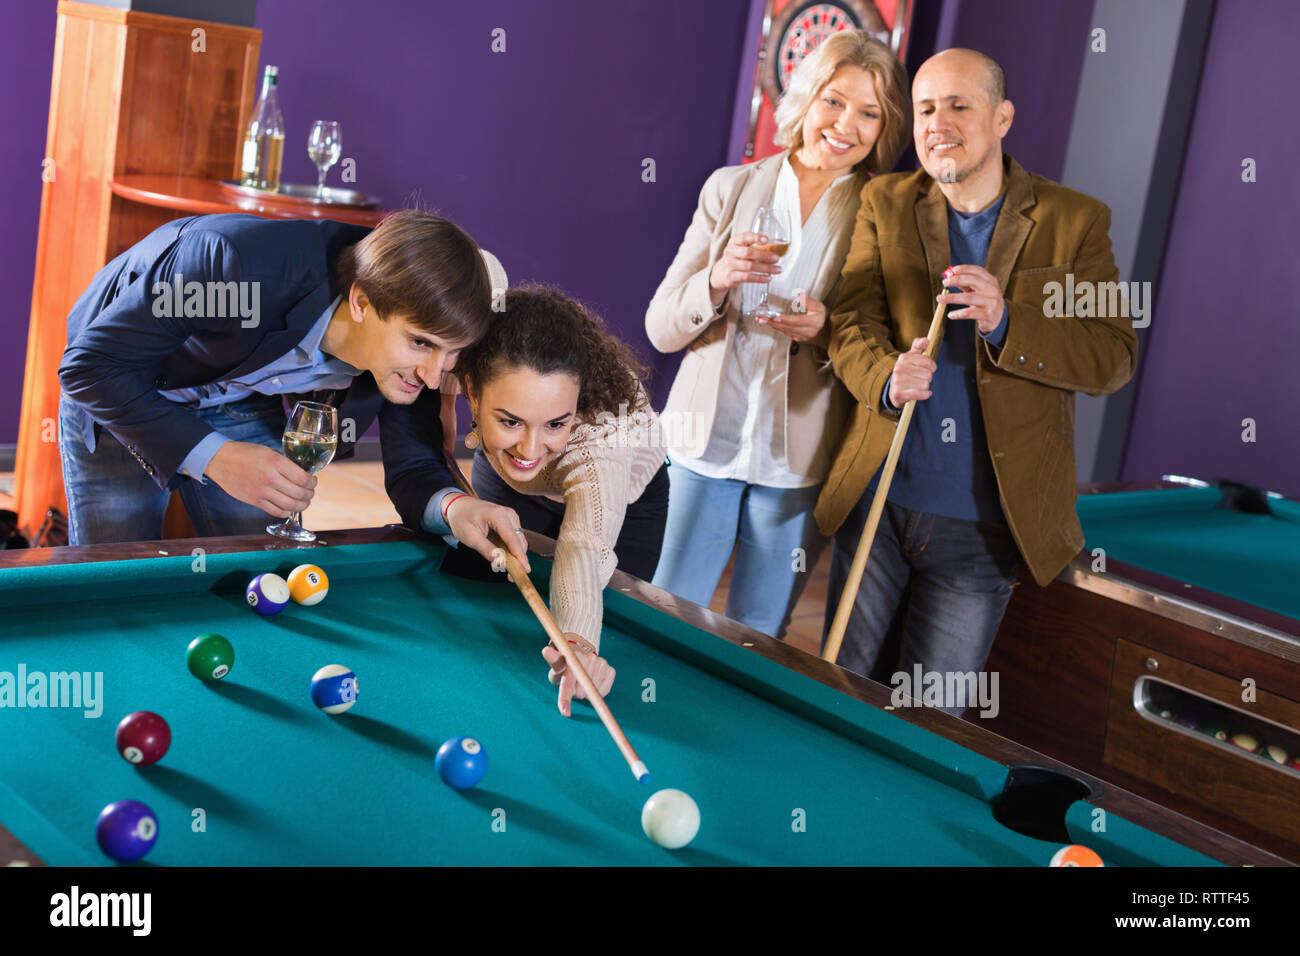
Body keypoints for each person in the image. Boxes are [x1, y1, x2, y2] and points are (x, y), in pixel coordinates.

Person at [817, 48, 1139, 709]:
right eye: (927, 108)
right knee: (839, 700)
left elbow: (1112, 357)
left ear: (1002, 117)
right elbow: (849, 324)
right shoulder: (884, 200)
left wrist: (1007, 321)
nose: (938, 123)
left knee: (930, 718)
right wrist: (884, 376)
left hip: (982, 531)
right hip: (878, 507)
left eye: (959, 106)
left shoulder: (1075, 223)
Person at [57, 209, 528, 570]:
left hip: (236, 394)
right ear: (362, 301)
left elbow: (415, 466)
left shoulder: (423, 340)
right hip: (122, 385)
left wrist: (456, 506)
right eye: (421, 344)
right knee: (117, 569)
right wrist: (216, 457)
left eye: (450, 354)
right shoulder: (232, 265)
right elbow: (88, 367)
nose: (433, 375)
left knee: (272, 568)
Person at [646, 30, 910, 638]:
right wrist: (716, 280)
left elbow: (884, 346)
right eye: (834, 101)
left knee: (759, 632)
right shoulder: (729, 188)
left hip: (800, 458)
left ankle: (729, 732)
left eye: (870, 113)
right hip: (701, 445)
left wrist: (826, 330)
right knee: (665, 610)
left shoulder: (882, 211)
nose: (846, 124)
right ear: (805, 98)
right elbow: (661, 327)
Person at [382, 284, 668, 716]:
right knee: (499, 588)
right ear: (473, 390)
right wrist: (443, 403)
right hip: (506, 479)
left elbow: (585, 548)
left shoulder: (602, 442)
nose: (531, 449)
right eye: (511, 420)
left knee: (599, 609)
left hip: (629, 503)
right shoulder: (465, 349)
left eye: (556, 422)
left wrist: (576, 643)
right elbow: (479, 261)